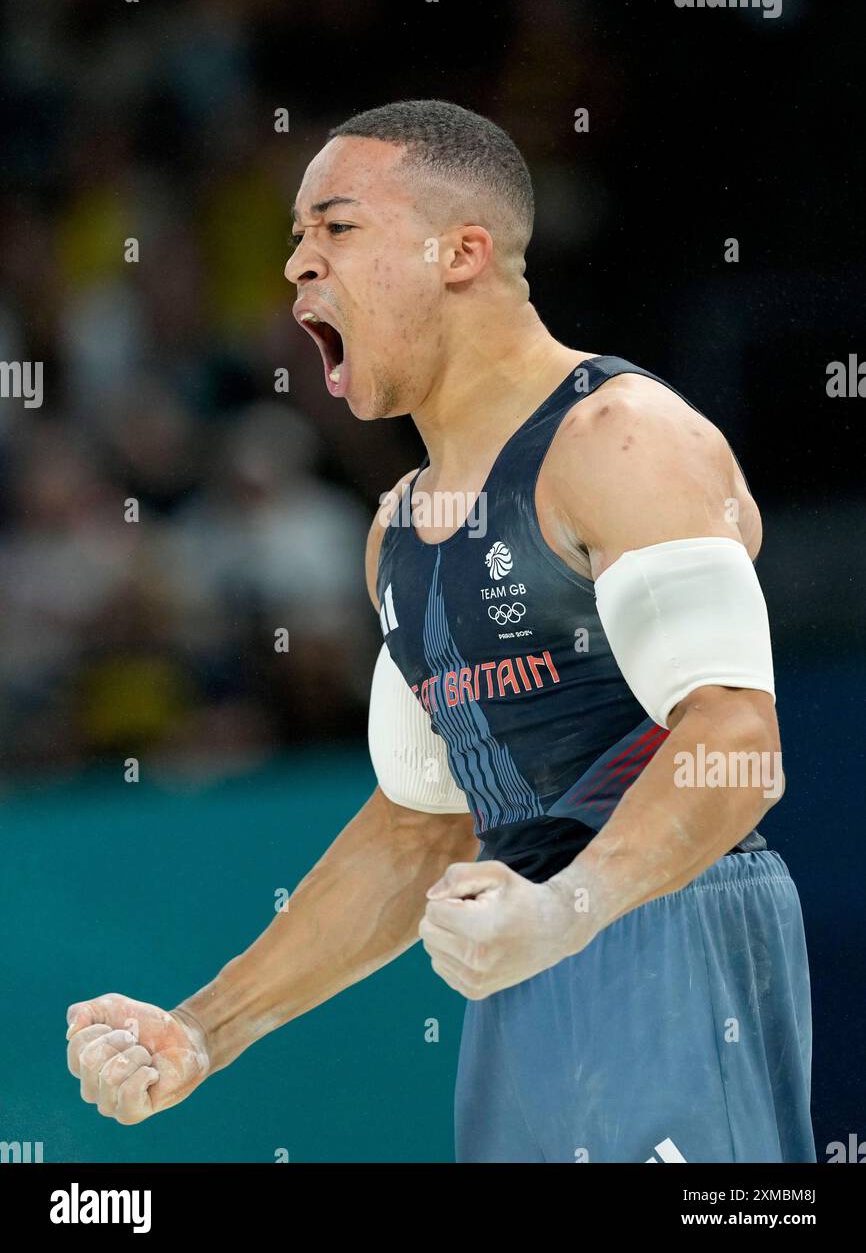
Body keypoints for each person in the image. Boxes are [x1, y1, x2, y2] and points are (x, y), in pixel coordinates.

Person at [66, 100, 815, 1162]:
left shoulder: (620, 438)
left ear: (461, 252)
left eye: (335, 227)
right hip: (516, 983)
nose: (294, 267)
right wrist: (202, 1028)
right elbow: (420, 828)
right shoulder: (398, 531)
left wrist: (568, 908)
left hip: (669, 942)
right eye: (291, 238)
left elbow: (735, 741)